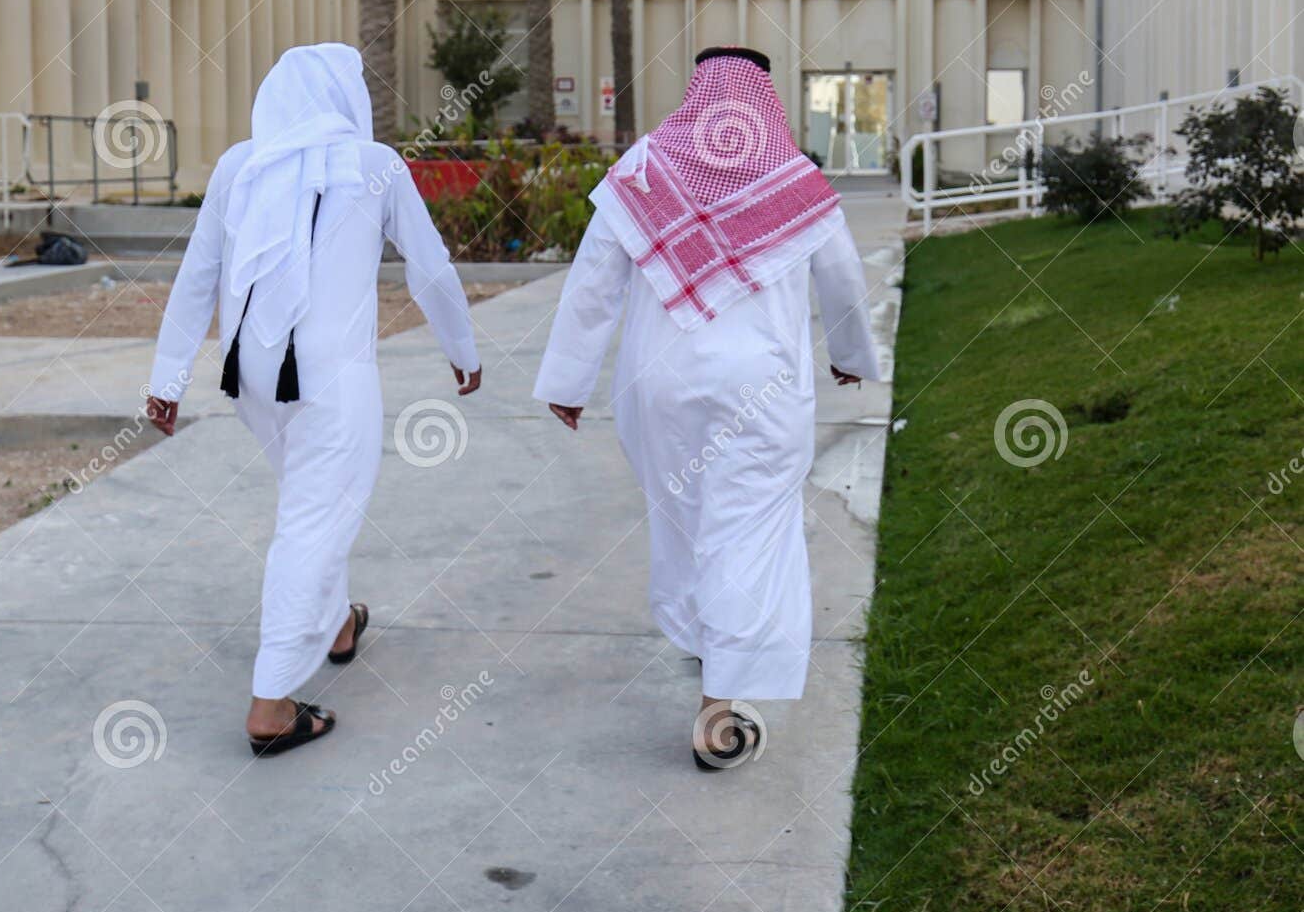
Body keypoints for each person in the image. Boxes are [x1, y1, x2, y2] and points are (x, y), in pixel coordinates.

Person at [533, 47, 879, 769]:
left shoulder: (644, 172)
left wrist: (569, 381)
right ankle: (721, 704)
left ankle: (708, 642)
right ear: (766, 96)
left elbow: (595, 279)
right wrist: (850, 355)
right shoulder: (795, 179)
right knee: (747, 527)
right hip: (760, 390)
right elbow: (842, 277)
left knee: (689, 519)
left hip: (659, 388)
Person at [145, 44, 482, 757]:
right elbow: (430, 265)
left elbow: (197, 273)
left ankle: (336, 625)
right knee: (313, 516)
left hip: (251, 378)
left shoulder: (242, 164)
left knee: (312, 498)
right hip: (331, 377)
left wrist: (167, 378)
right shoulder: (375, 164)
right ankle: (271, 702)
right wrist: (464, 350)